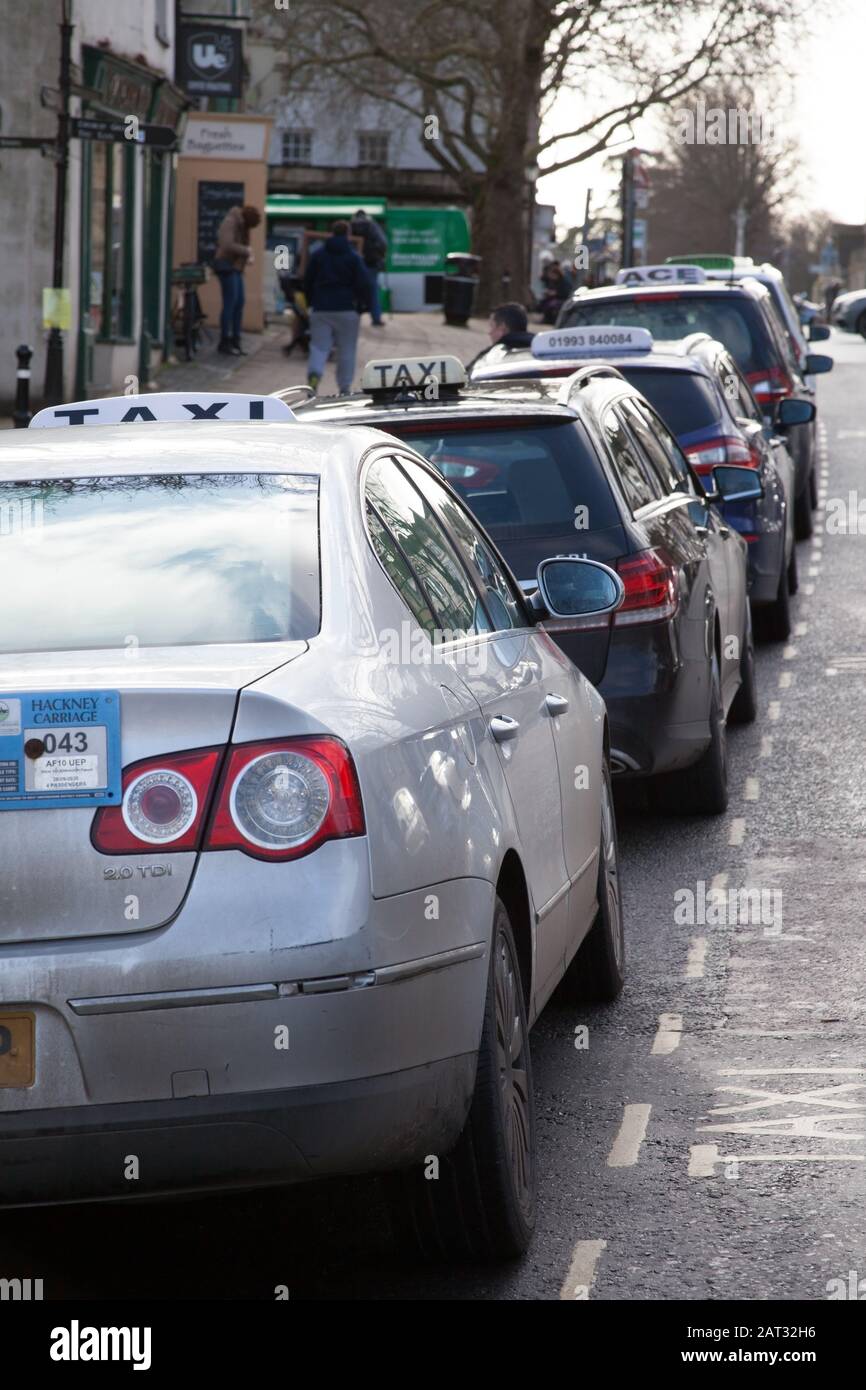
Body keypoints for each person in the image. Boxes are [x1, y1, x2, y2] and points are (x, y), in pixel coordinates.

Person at [303, 219, 370, 394]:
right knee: (347, 349)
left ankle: (314, 376)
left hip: (321, 308)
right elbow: (364, 283)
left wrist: (311, 302)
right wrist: (362, 306)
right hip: (347, 309)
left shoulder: (318, 254)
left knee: (319, 346)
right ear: (348, 234)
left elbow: (307, 281)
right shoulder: (354, 257)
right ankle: (345, 386)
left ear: (332, 233)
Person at [212, 204, 261, 355]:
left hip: (236, 268)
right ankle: (224, 341)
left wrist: (248, 255)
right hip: (226, 265)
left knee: (239, 302)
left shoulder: (242, 225)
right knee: (230, 303)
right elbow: (226, 244)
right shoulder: (231, 221)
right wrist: (246, 251)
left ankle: (235, 339)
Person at [466, 302, 535, 372]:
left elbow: (465, 376)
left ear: (502, 327)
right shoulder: (540, 351)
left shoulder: (492, 354)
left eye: (492, 326)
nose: (489, 332)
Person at [350, 209, 388, 326]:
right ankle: (376, 318)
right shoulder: (372, 225)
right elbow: (383, 243)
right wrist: (379, 256)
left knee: (354, 291)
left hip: (354, 263)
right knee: (373, 291)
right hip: (372, 263)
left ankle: (354, 316)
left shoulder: (351, 225)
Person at [537, 259, 574, 324]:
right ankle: (546, 318)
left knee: (551, 305)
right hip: (557, 298)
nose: (551, 276)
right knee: (543, 302)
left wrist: (554, 293)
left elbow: (565, 293)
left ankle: (550, 320)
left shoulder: (564, 281)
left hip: (564, 299)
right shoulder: (555, 281)